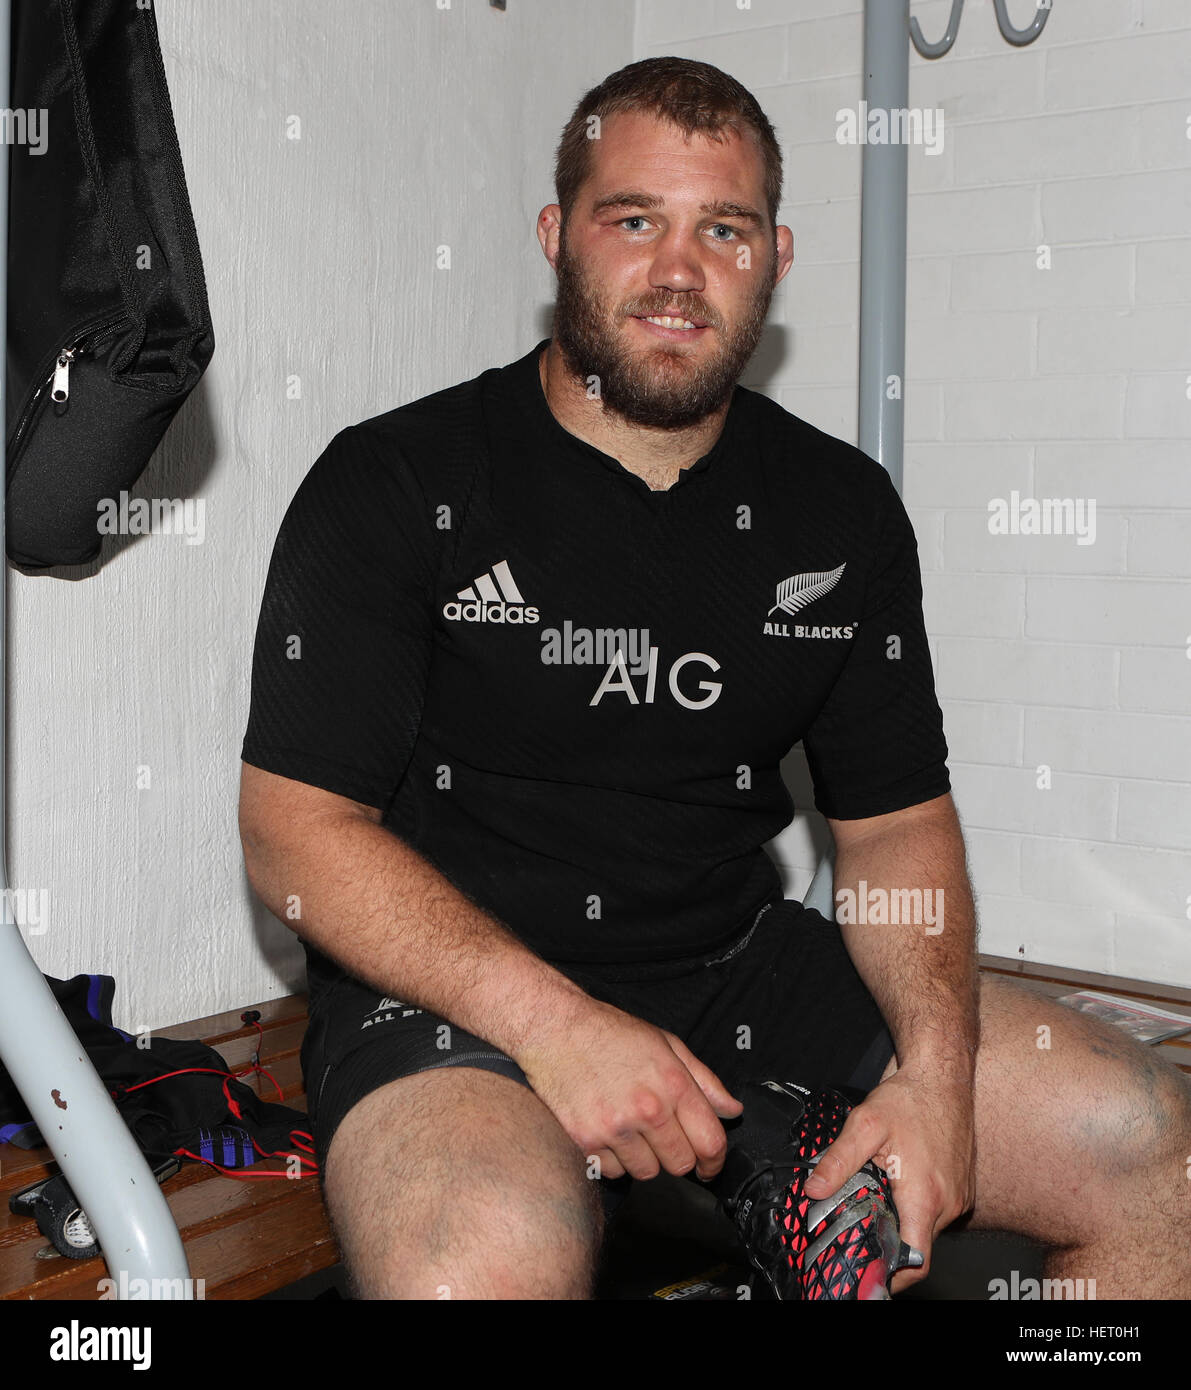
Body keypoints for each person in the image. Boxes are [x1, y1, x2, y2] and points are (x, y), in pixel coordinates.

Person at [238, 57, 1191, 1300]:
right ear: (557, 237)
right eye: (635, 219)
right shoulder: (395, 482)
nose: (678, 271)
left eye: (722, 229)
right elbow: (292, 835)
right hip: (456, 1001)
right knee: (475, 1264)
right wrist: (556, 1024)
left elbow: (898, 831)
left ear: (775, 257)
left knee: (1145, 1142)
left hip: (733, 965)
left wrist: (936, 1075)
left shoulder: (841, 510)